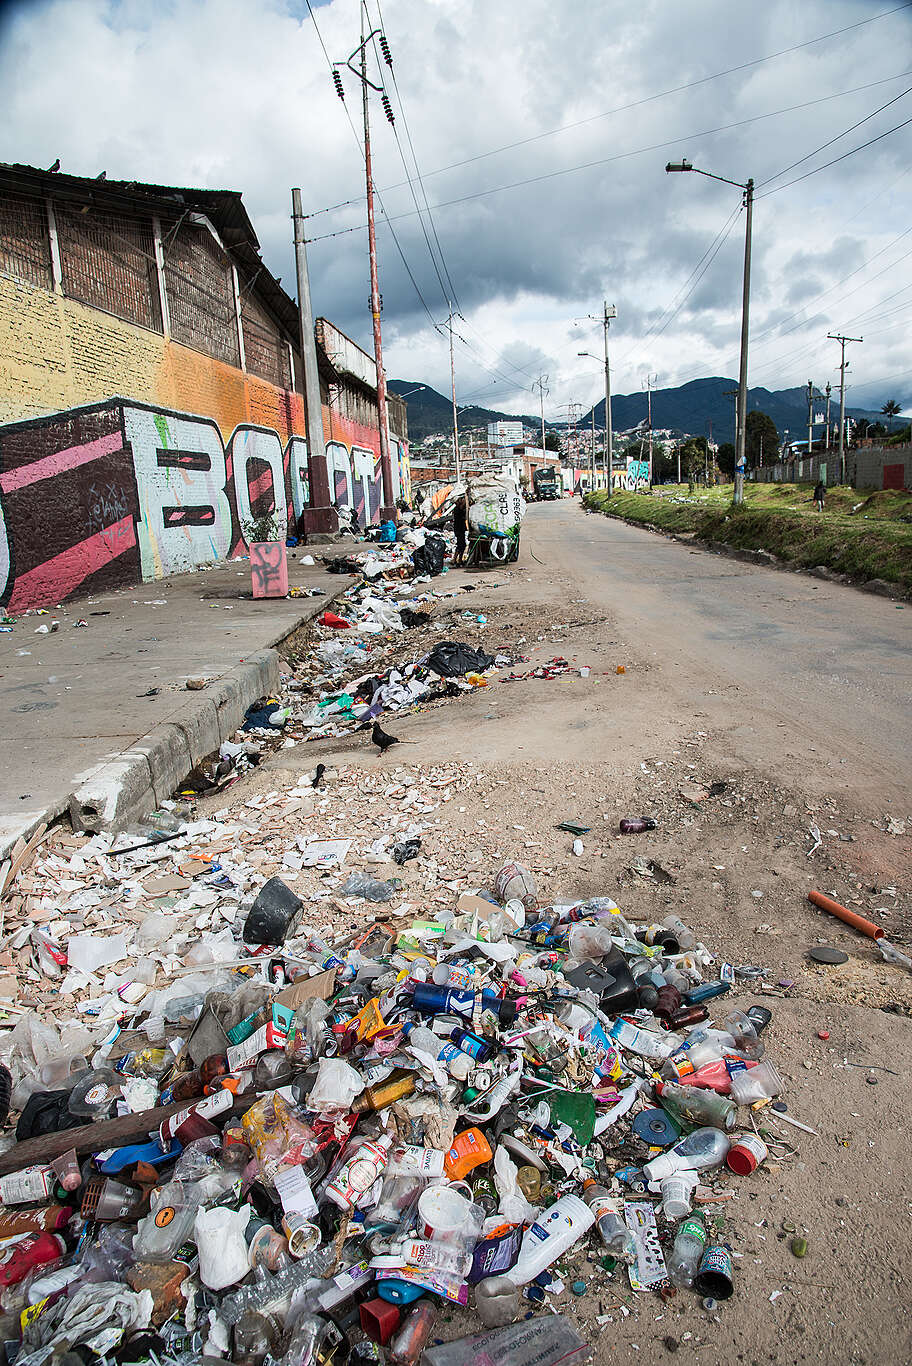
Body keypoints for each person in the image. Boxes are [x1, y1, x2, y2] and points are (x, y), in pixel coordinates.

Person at [452, 492, 468, 566]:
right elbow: (462, 508)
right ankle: (455, 559)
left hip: (460, 529)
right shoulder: (457, 509)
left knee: (462, 545)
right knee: (460, 545)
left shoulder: (458, 508)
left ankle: (459, 559)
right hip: (459, 529)